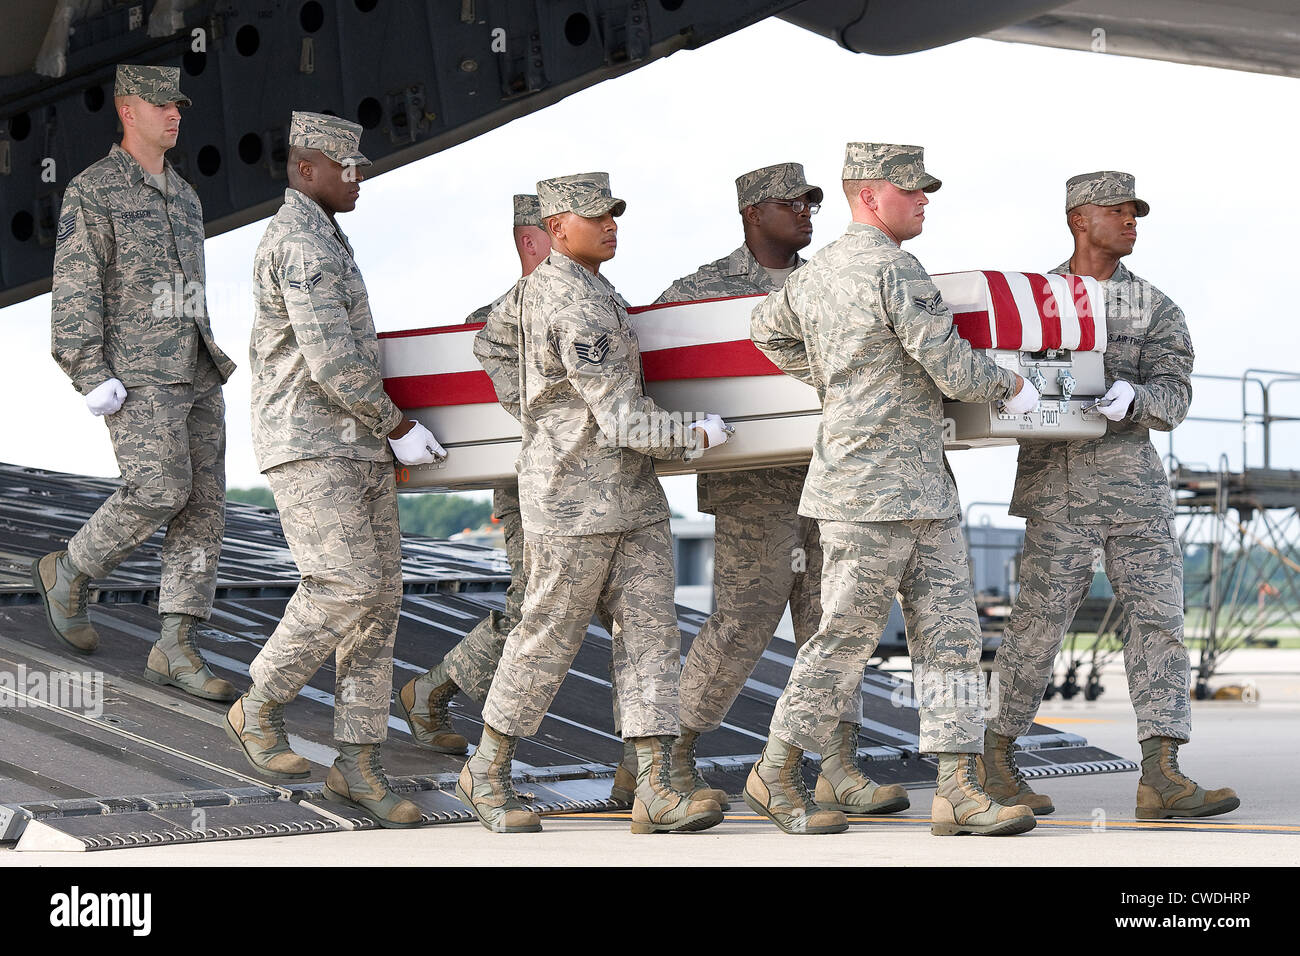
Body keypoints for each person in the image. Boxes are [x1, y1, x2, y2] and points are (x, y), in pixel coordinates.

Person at [749, 142, 1041, 836]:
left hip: (897, 488)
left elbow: (766, 331)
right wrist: (1014, 385)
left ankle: (956, 788)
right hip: (881, 492)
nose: (923, 201)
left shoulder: (812, 277)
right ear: (869, 196)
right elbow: (956, 372)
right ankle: (776, 771)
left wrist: (834, 380)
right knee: (855, 639)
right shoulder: (896, 269)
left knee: (945, 638)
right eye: (910, 191)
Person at [457, 172, 730, 834]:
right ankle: (485, 773)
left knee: (650, 636)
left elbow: (490, 343)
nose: (611, 224)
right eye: (594, 216)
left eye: (613, 214)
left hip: (630, 498)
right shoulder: (569, 303)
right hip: (574, 503)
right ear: (555, 228)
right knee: (546, 637)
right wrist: (694, 434)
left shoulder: (586, 289)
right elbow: (625, 422)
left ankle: (656, 784)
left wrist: (532, 404)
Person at [631, 162, 905, 817]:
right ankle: (669, 761)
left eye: (813, 202)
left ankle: (837, 766)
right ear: (753, 212)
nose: (808, 213)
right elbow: (655, 365)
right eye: (792, 203)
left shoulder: (829, 280)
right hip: (752, 486)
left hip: (834, 476)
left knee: (833, 623)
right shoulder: (700, 291)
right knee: (742, 623)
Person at [985, 170, 1239, 820]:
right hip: (1056, 492)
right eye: (1118, 212)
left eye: (1135, 213)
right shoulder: (1031, 299)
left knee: (1160, 625)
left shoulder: (1155, 307)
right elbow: (995, 373)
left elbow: (1175, 394)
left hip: (1134, 493)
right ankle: (993, 765)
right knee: (1035, 630)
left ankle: (1162, 774)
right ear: (1079, 218)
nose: (1131, 223)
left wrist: (1139, 400)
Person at [226, 111, 446, 829]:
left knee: (379, 601)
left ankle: (358, 762)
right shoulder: (301, 244)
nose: (358, 180)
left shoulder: (326, 238)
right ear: (305, 169)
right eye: (346, 168)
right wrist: (402, 426)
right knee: (345, 584)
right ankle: (259, 702)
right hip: (313, 440)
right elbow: (332, 363)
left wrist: (383, 434)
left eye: (361, 168)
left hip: (354, 444)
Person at [35, 64, 237, 702]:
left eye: (178, 105)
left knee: (203, 508)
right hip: (139, 375)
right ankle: (71, 569)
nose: (175, 114)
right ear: (128, 109)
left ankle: (177, 643)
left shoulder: (185, 196)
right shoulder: (93, 191)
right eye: (160, 105)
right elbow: (75, 288)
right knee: (159, 488)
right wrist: (87, 369)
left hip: (197, 369)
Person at [396, 194, 551, 755]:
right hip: (532, 490)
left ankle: (645, 759)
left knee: (625, 615)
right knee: (537, 605)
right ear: (532, 241)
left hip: (608, 492)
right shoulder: (490, 324)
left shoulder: (606, 305)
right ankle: (437, 690)